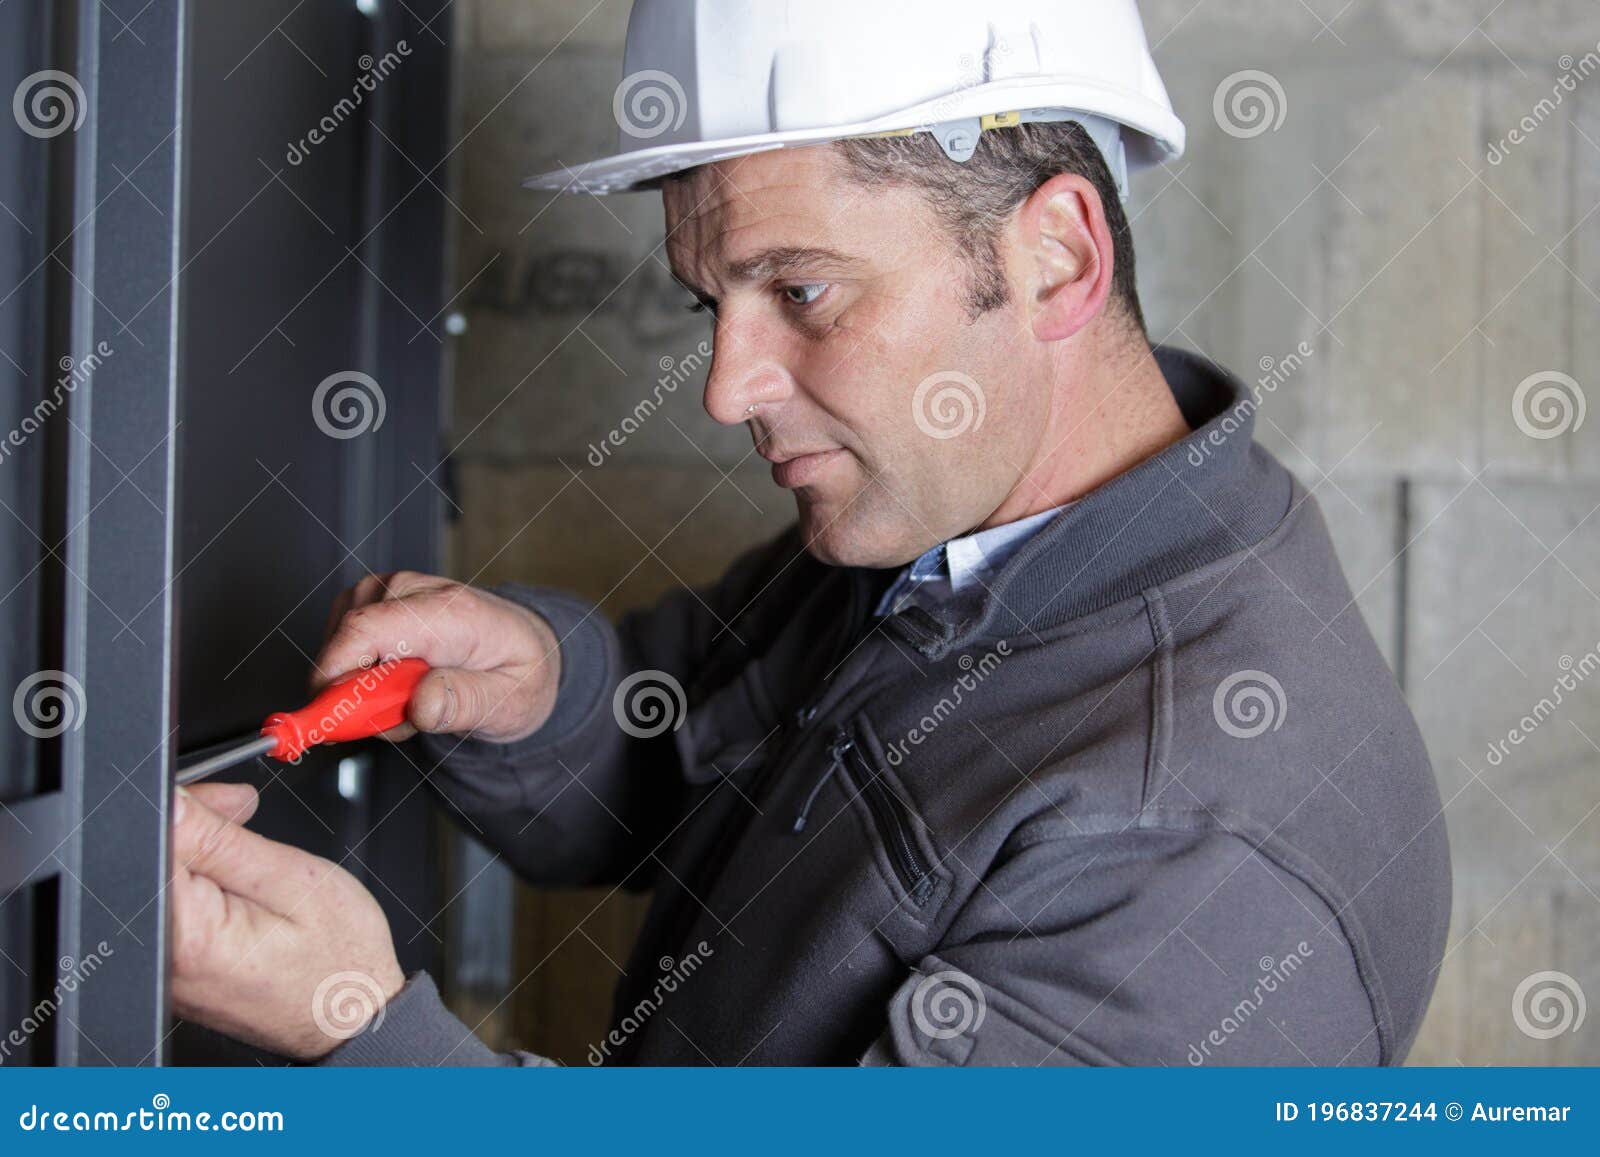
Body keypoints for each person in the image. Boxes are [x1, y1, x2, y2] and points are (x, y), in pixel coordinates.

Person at [169, 0, 1451, 1066]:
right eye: (710, 305)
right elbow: (689, 763)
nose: (728, 390)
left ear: (1056, 259)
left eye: (801, 289)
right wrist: (545, 699)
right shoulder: (933, 522)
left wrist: (366, 1036)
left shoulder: (1196, 850)